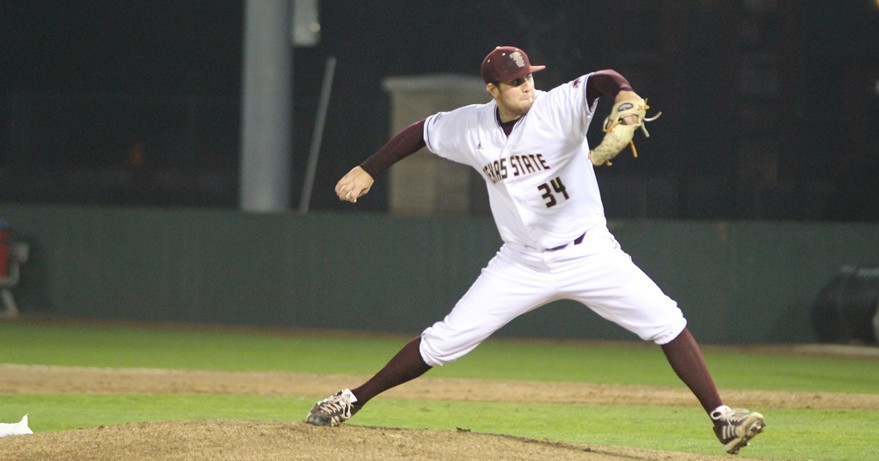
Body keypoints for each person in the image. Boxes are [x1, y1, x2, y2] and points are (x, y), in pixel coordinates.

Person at [306, 46, 765, 454]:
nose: (527, 84)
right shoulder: (472, 126)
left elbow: (602, 79)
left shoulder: (556, 107)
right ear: (493, 89)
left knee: (667, 321)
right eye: (515, 80)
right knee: (444, 340)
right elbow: (421, 132)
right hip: (521, 261)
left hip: (589, 254)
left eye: (529, 76)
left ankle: (721, 418)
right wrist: (369, 168)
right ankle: (352, 399)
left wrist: (624, 93)